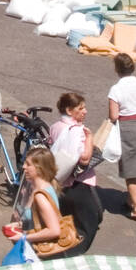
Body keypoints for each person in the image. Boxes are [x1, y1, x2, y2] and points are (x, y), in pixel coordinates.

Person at [47, 92, 102, 251]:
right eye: (81, 108)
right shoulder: (78, 130)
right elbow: (84, 159)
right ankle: (72, 258)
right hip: (79, 183)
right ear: (70, 111)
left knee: (67, 223)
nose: (85, 111)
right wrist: (90, 138)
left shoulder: (55, 126)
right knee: (87, 225)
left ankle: (61, 252)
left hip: (60, 183)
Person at [108, 54, 136, 221]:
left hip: (127, 129)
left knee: (130, 171)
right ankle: (129, 199)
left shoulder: (116, 89)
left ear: (117, 69)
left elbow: (113, 116)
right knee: (135, 165)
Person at [5, 147, 65, 253]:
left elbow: (54, 230)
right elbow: (38, 221)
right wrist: (18, 225)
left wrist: (23, 237)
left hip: (38, 253)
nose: (23, 167)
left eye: (28, 164)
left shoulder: (40, 197)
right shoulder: (37, 188)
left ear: (39, 168)